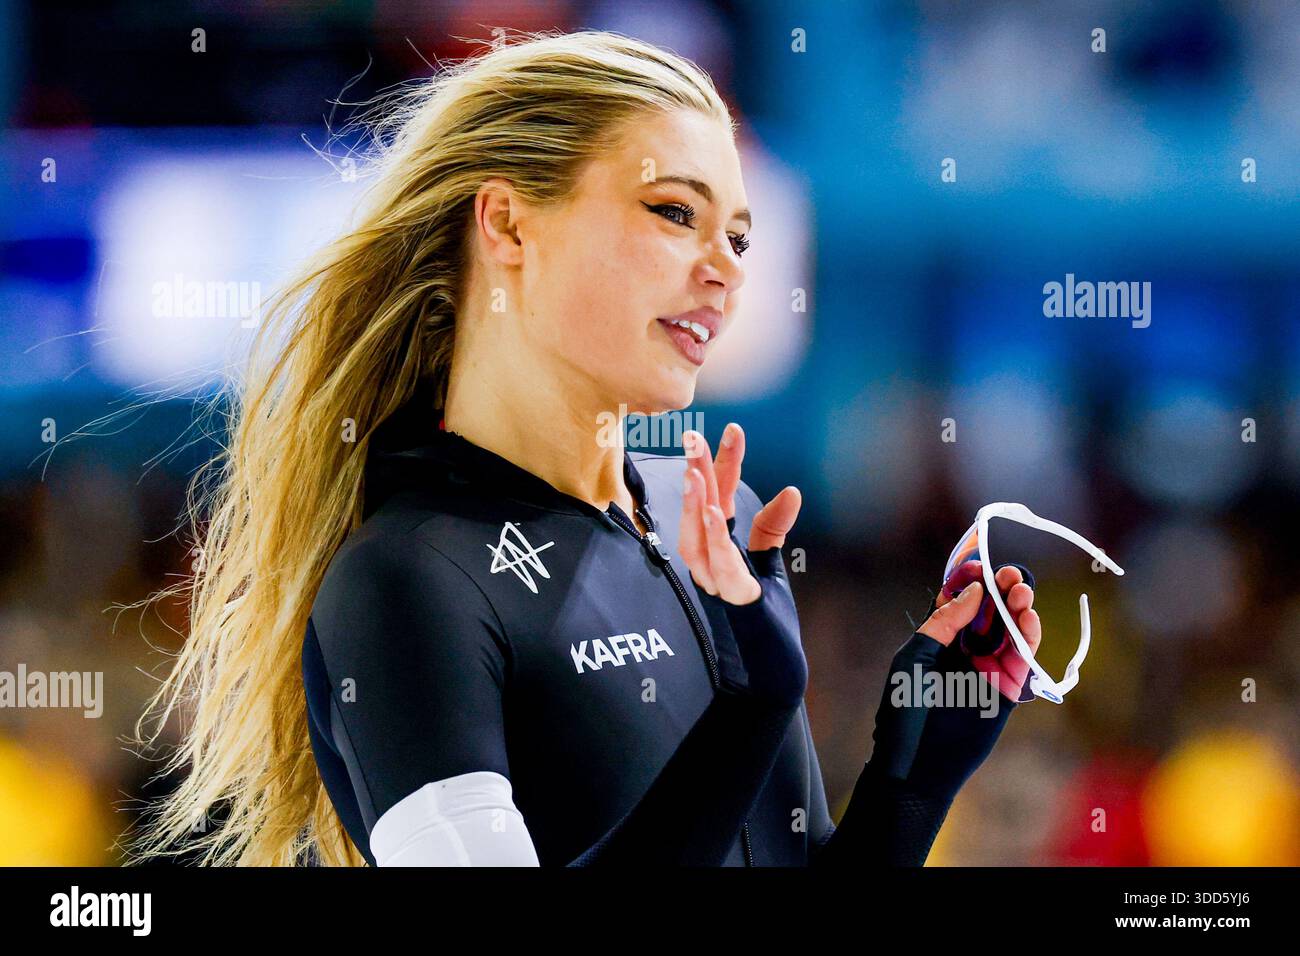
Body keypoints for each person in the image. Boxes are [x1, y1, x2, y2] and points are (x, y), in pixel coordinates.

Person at [127, 29, 1041, 868]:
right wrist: (748, 709)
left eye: (738, 235)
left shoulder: (708, 511)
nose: (725, 266)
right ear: (508, 224)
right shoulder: (408, 582)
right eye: (675, 213)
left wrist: (913, 775)